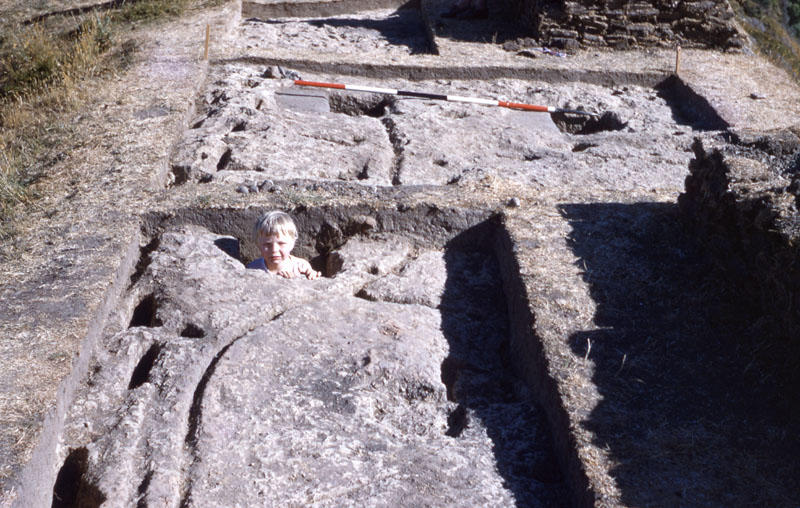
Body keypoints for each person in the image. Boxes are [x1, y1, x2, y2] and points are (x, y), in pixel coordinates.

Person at [247, 211, 321, 280]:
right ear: (258, 244)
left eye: (281, 243)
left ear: (292, 244)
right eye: (267, 244)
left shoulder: (300, 267)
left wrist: (310, 276)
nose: (274, 250)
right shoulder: (253, 268)